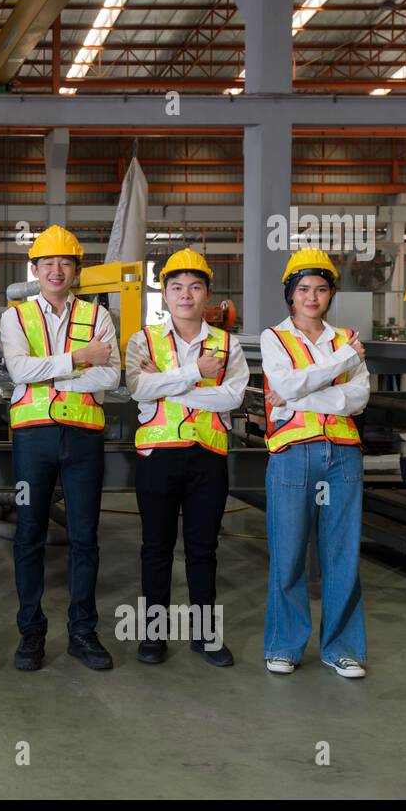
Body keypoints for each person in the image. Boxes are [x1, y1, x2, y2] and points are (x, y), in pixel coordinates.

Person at [0, 225, 120, 672]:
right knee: (29, 535)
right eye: (47, 263)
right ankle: (31, 634)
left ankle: (83, 632)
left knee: (85, 537)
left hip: (84, 438)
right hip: (33, 437)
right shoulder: (15, 317)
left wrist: (47, 373)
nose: (56, 270)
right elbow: (17, 370)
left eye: (65, 263)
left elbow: (110, 376)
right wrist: (77, 360)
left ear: (75, 270)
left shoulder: (98, 317)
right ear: (33, 270)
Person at [125, 248, 248, 667]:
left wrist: (168, 384)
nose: (185, 295)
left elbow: (232, 396)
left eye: (195, 287)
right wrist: (195, 373)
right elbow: (138, 390)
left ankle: (205, 634)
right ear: (165, 294)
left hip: (208, 458)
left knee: (203, 547)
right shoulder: (144, 339)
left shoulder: (228, 344)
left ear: (207, 293)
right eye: (176, 287)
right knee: (155, 547)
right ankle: (154, 635)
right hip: (158, 456)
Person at [260, 248, 371, 678]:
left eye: (321, 289)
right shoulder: (276, 338)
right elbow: (284, 382)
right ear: (291, 294)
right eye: (303, 289)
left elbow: (358, 399)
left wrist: (300, 397)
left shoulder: (344, 335)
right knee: (288, 555)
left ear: (330, 294)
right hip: (292, 455)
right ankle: (285, 645)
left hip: (343, 455)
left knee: (342, 555)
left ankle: (342, 648)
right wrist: (341, 365)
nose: (312, 297)